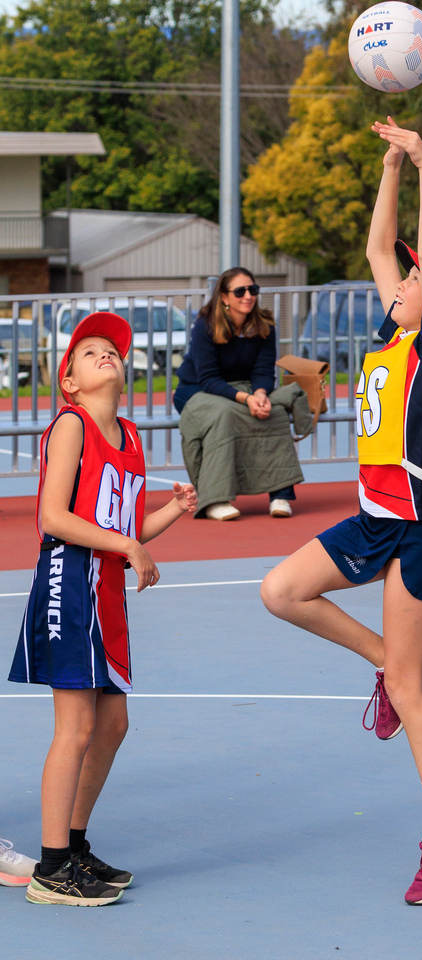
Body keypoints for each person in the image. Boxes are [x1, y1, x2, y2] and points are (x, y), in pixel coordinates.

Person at [261, 117, 422, 904]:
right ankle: (381, 661)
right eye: (404, 282)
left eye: (413, 283)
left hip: (418, 531)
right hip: (375, 517)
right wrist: (392, 165)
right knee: (281, 591)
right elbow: (382, 247)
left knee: (413, 689)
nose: (399, 282)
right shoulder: (394, 336)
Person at [8, 312, 197, 907]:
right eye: (90, 353)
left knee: (111, 726)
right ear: (69, 381)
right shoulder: (72, 426)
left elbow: (127, 526)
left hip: (105, 592)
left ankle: (75, 843)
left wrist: (170, 514)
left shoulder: (133, 437)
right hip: (69, 583)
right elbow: (54, 519)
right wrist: (127, 545)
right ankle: (51, 866)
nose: (106, 356)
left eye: (112, 350)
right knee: (78, 727)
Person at [174, 267, 312, 521]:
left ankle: (280, 494)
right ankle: (214, 499)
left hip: (243, 389)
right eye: (240, 291)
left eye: (253, 289)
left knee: (275, 412)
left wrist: (259, 394)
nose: (248, 295)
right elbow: (209, 379)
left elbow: (263, 371)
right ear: (224, 297)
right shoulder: (205, 326)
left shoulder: (265, 326)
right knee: (225, 414)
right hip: (195, 389)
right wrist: (247, 400)